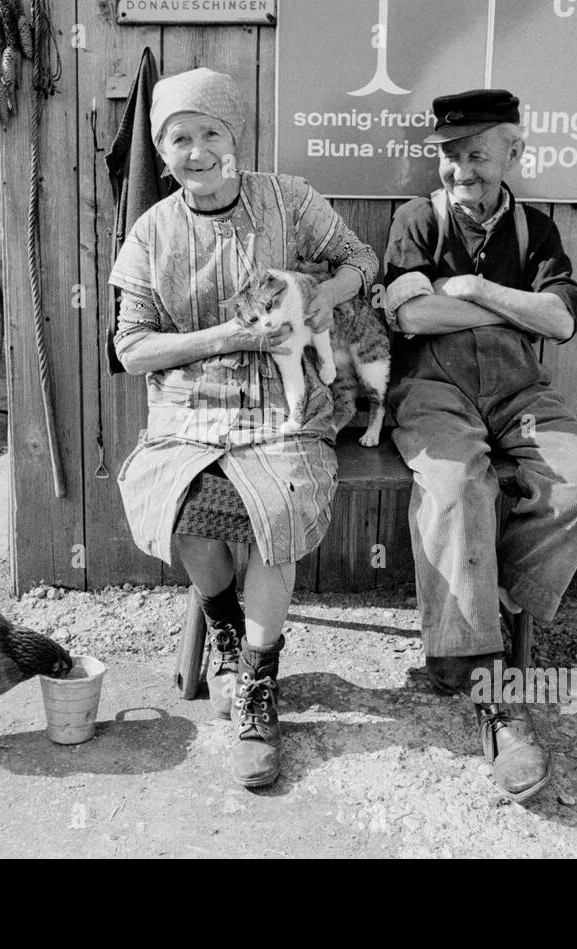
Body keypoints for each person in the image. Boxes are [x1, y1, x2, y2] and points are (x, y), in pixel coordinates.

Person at [109, 68, 378, 789]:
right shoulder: (152, 231)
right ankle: (226, 626)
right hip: (188, 409)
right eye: (179, 139)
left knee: (278, 510)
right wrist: (226, 335)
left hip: (285, 404)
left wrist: (327, 290)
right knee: (180, 505)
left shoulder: (288, 201)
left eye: (210, 135)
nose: (195, 152)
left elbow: (362, 259)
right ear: (163, 152)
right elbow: (130, 347)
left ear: (235, 140)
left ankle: (258, 686)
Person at [382, 89, 577, 802]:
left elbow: (560, 320)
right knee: (457, 488)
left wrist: (478, 284)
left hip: (520, 395)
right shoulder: (417, 219)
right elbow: (413, 313)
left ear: (515, 152)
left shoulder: (535, 230)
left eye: (477, 153)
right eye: (450, 154)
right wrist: (506, 305)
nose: (460, 169)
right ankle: (492, 691)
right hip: (435, 392)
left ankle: (485, 604)